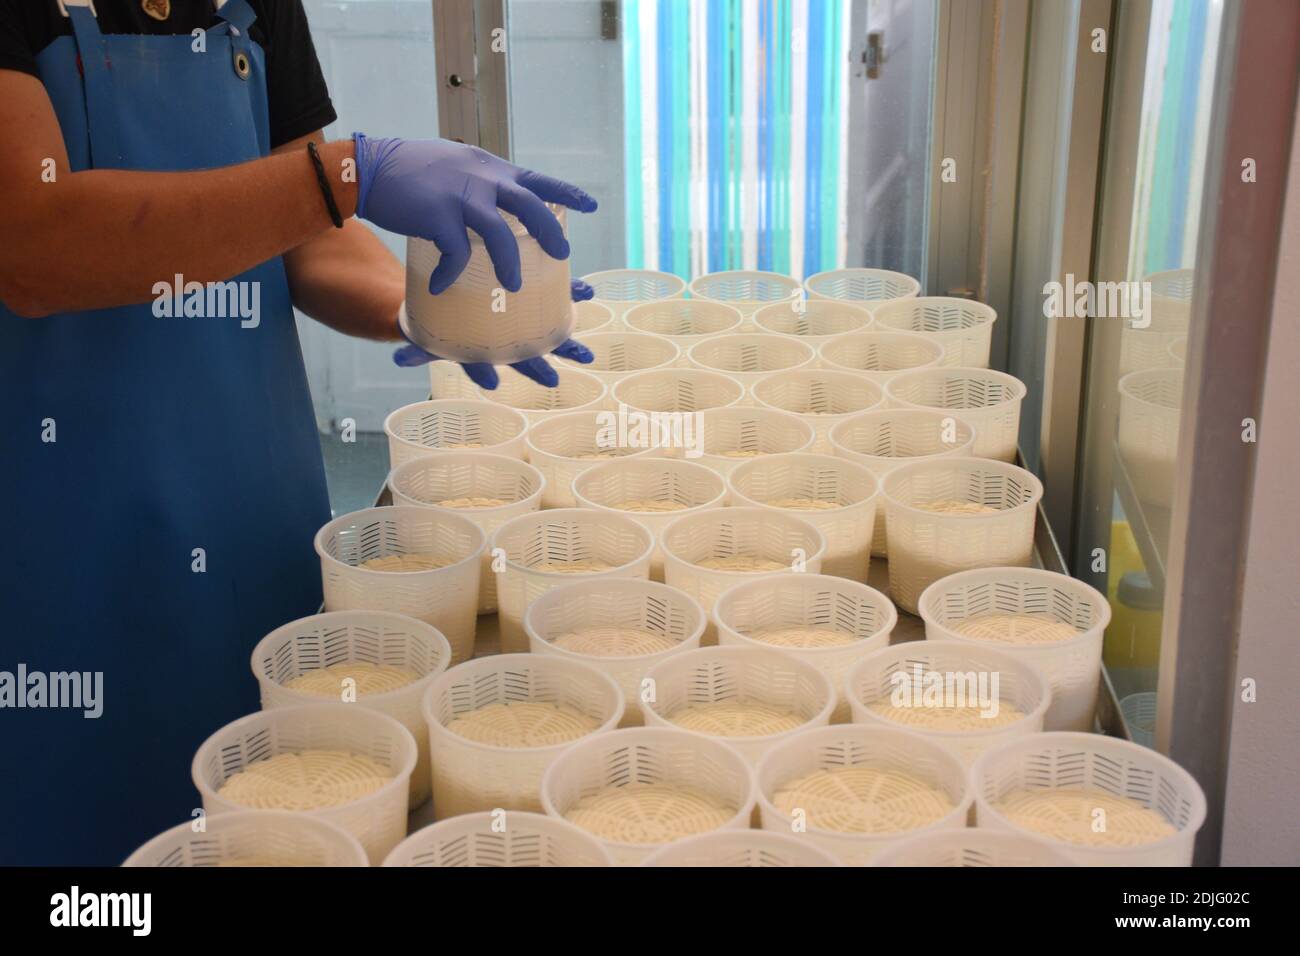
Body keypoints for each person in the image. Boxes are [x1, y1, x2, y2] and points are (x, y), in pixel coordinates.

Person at [0, 0, 596, 865]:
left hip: (252, 496)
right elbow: (33, 243)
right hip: (67, 528)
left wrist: (432, 312)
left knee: (294, 798)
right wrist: (345, 175)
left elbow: (307, 245)